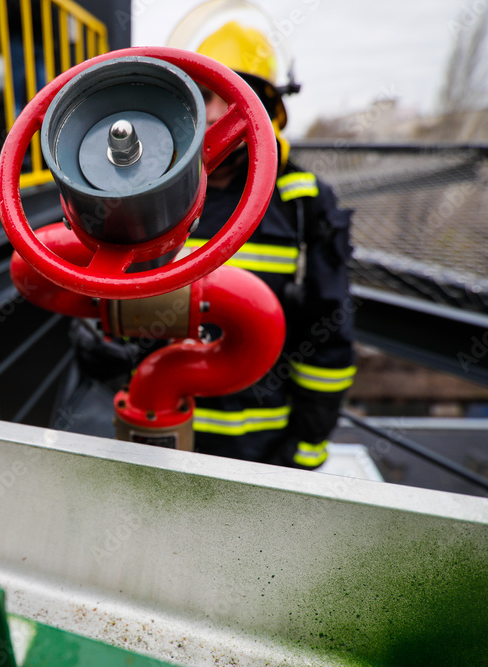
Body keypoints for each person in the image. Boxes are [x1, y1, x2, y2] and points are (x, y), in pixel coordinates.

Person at [173, 6, 356, 469]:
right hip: (162, 430)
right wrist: (101, 345)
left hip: (260, 451)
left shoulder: (303, 201)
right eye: (200, 94)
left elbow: (328, 333)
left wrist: (306, 445)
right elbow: (120, 307)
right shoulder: (159, 200)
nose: (213, 113)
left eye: (230, 95)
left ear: (263, 109)